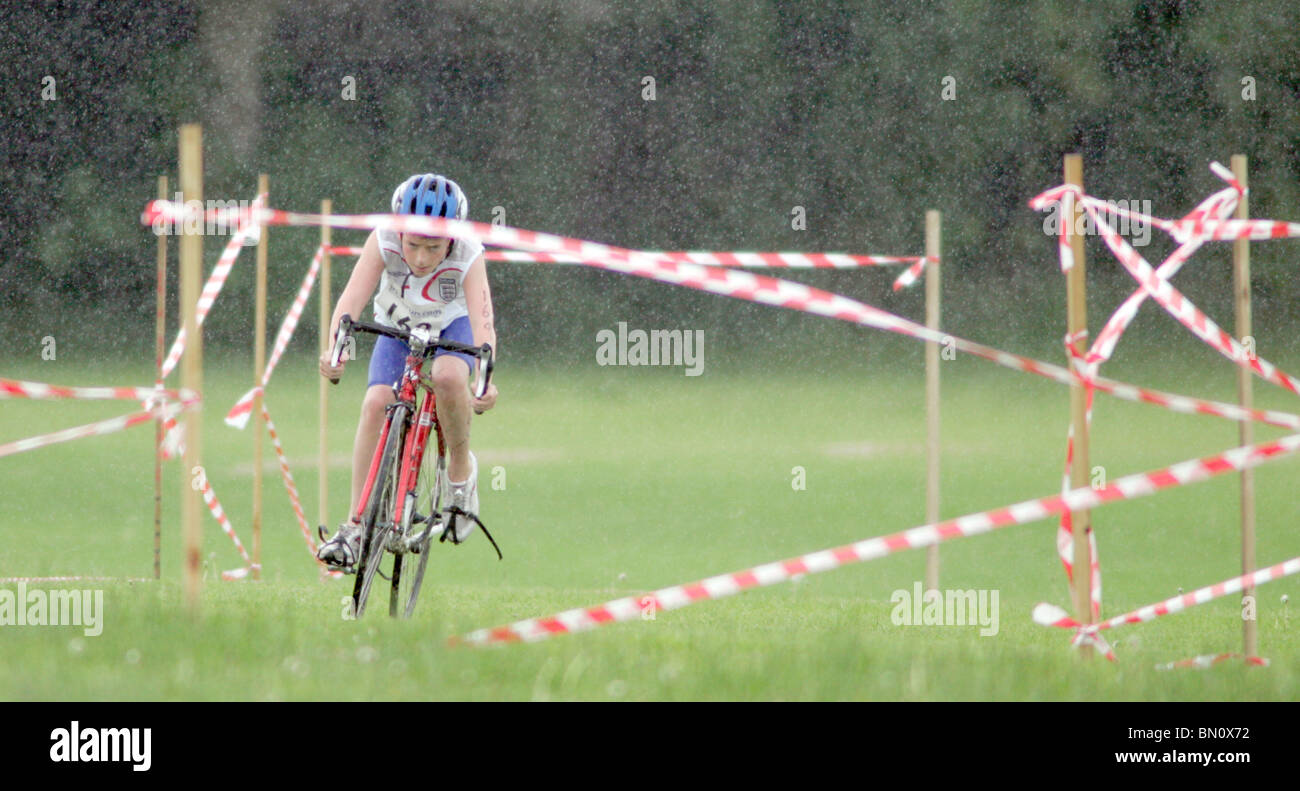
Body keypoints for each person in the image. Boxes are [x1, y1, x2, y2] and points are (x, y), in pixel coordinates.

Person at [316, 173, 498, 568]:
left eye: (433, 247)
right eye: (412, 245)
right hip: (399, 323)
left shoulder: (469, 250)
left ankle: (460, 474)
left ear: (451, 240)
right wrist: (336, 352)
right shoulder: (383, 237)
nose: (420, 258)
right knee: (375, 402)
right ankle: (355, 527)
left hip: (452, 324)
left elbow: (483, 324)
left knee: (448, 377)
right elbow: (351, 301)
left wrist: (484, 382)